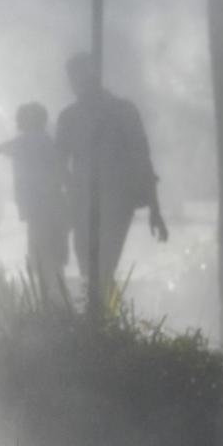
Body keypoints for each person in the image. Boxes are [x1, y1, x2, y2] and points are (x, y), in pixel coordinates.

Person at [54, 52, 167, 309]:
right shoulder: (70, 117)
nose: (74, 84)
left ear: (92, 75)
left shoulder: (122, 111)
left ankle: (107, 322)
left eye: (78, 77)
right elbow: (59, 164)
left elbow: (141, 158)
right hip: (83, 203)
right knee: (89, 270)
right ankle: (106, 321)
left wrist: (155, 208)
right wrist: (69, 193)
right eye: (72, 78)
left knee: (103, 269)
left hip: (116, 203)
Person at [0, 101, 69, 304]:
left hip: (39, 209)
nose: (16, 121)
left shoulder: (25, 142)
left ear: (27, 120)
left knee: (41, 258)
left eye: (19, 118)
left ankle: (51, 307)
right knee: (54, 258)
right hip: (54, 207)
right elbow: (62, 174)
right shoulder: (47, 141)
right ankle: (59, 303)